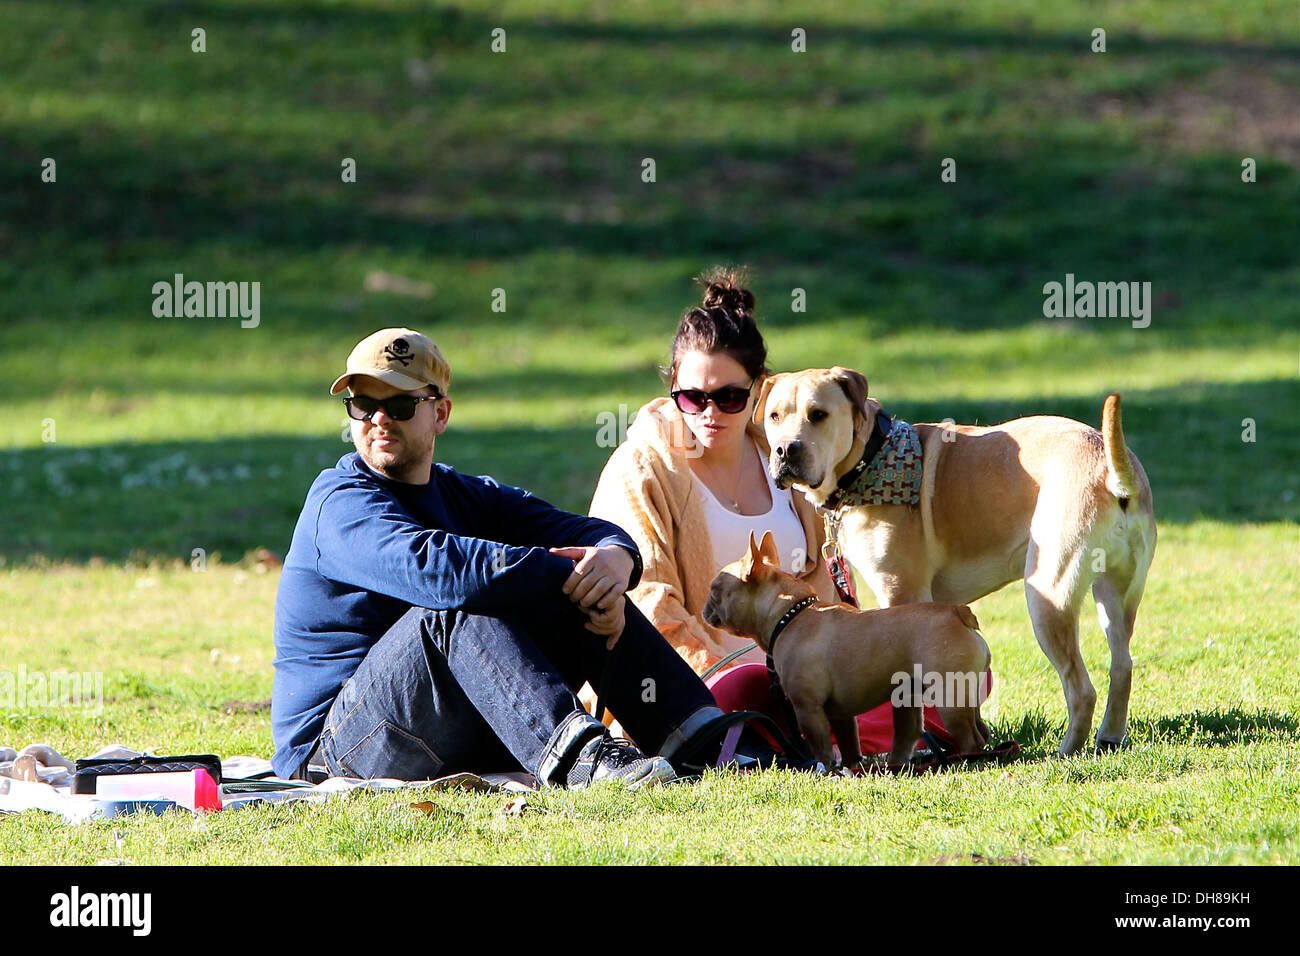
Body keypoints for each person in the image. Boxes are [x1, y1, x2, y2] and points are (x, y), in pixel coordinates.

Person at [270, 327, 741, 789]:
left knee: (577, 590)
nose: (378, 419)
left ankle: (709, 742)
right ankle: (583, 761)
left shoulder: (464, 493)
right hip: (336, 747)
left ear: (441, 414)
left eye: (398, 404)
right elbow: (434, 570)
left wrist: (614, 561)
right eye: (362, 405)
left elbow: (580, 530)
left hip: (438, 727)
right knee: (454, 605)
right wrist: (570, 573)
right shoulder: (339, 502)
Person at [589, 269, 841, 678]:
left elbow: (826, 596)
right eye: (692, 397)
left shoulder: (787, 461)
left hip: (806, 683)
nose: (709, 413)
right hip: (698, 690)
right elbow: (648, 604)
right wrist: (720, 677)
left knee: (930, 675)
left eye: (729, 397)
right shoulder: (640, 471)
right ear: (674, 386)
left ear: (759, 388)